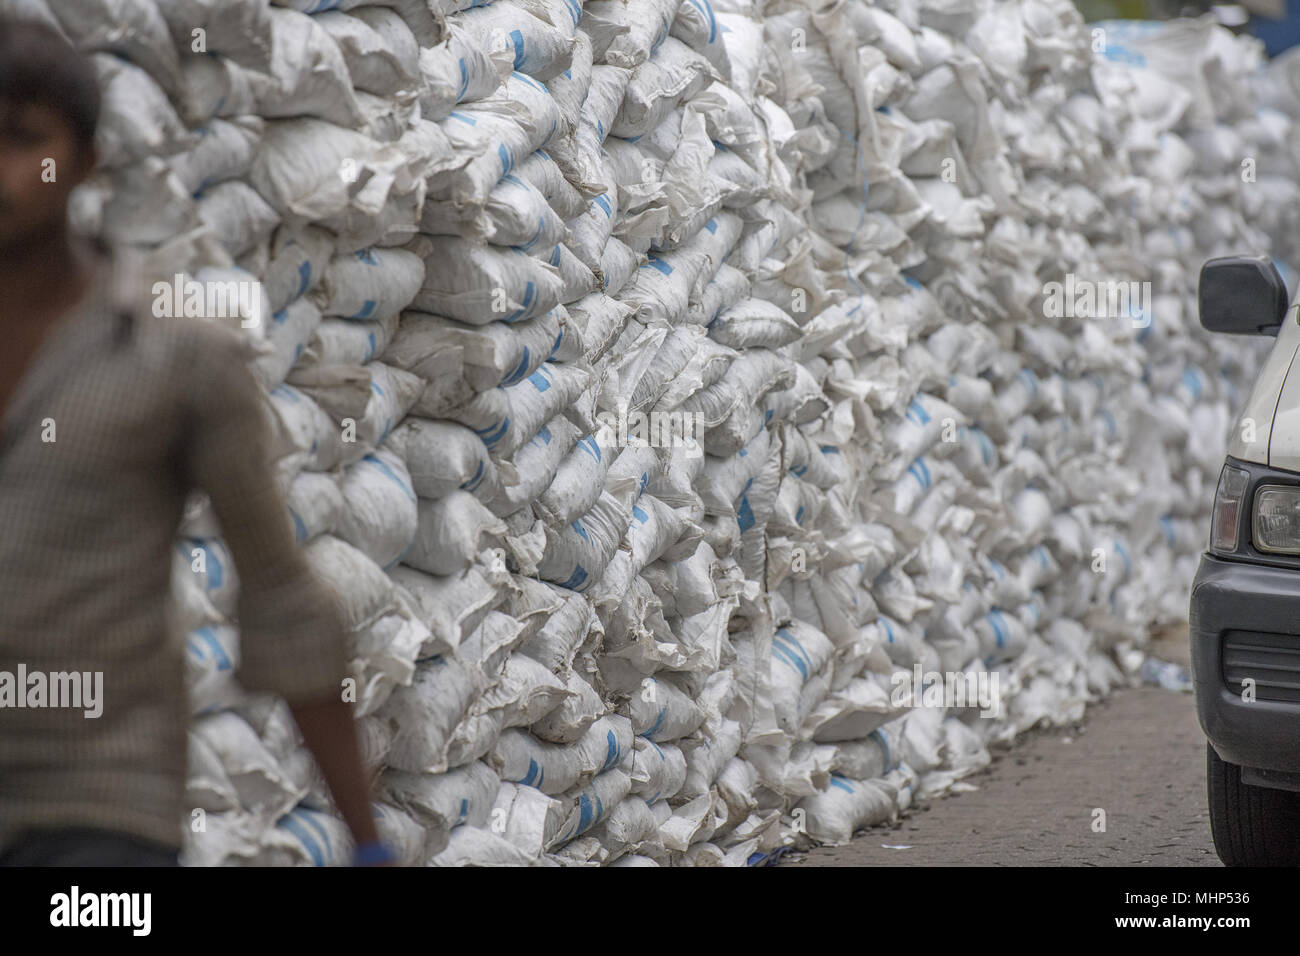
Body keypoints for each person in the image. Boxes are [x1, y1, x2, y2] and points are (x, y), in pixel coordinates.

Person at [0, 17, 391, 866]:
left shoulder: (176, 352)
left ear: (88, 160)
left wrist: (366, 842)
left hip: (99, 805)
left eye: (21, 140)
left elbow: (281, 597)